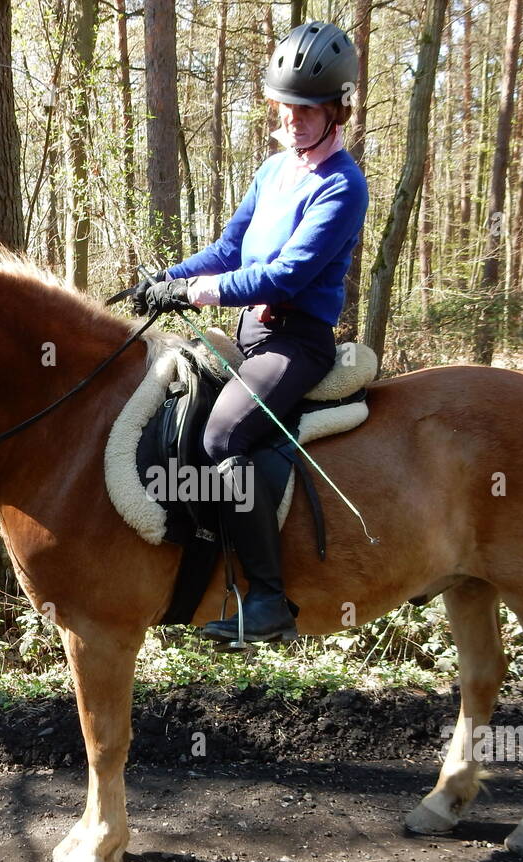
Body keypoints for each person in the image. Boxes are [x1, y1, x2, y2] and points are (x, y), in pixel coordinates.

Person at [132, 20, 368, 645]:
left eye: (307, 109)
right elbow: (230, 247)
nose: (293, 120)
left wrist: (196, 291)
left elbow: (286, 276)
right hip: (250, 335)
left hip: (297, 342)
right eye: (285, 106)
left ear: (336, 110)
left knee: (222, 433)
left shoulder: (344, 185)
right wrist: (167, 276)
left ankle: (268, 601)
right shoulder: (272, 172)